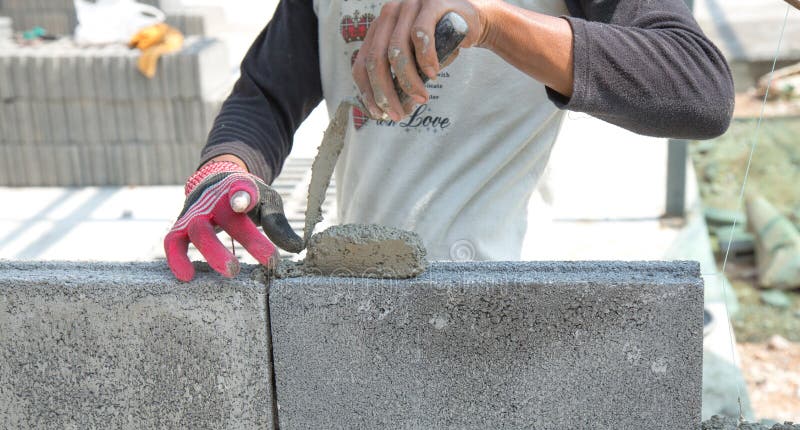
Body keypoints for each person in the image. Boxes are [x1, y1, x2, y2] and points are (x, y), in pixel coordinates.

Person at [164, 0, 734, 282]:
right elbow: (266, 92)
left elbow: (695, 88)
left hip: (498, 299)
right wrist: (224, 169)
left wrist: (492, 25)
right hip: (362, 290)